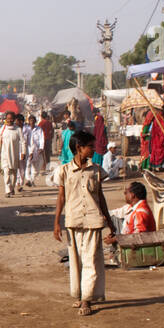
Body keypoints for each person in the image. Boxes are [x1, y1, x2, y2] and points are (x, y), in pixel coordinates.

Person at [53, 129, 117, 317]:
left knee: (90, 261)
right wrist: (56, 222)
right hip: (73, 220)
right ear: (79, 148)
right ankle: (79, 295)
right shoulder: (64, 171)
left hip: (92, 220)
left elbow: (101, 197)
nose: (93, 149)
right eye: (90, 146)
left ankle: (86, 299)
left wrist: (110, 221)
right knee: (75, 261)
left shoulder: (96, 170)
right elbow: (61, 197)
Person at [0, 112, 25, 197]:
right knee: (6, 172)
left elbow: (23, 142)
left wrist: (23, 153)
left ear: (14, 119)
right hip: (4, 155)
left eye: (11, 118)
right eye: (8, 118)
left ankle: (12, 187)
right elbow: (0, 142)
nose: (9, 120)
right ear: (5, 119)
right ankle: (7, 190)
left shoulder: (18, 129)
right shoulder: (3, 129)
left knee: (14, 173)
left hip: (15, 154)